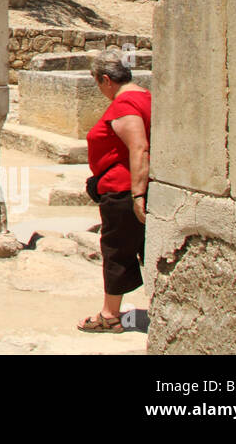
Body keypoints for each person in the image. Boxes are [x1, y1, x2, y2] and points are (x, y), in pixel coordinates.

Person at [78, 49, 151, 334]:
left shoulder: (125, 104)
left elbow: (139, 147)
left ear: (106, 80)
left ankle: (110, 315)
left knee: (116, 251)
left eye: (98, 83)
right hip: (126, 188)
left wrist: (138, 195)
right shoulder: (146, 97)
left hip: (123, 191)